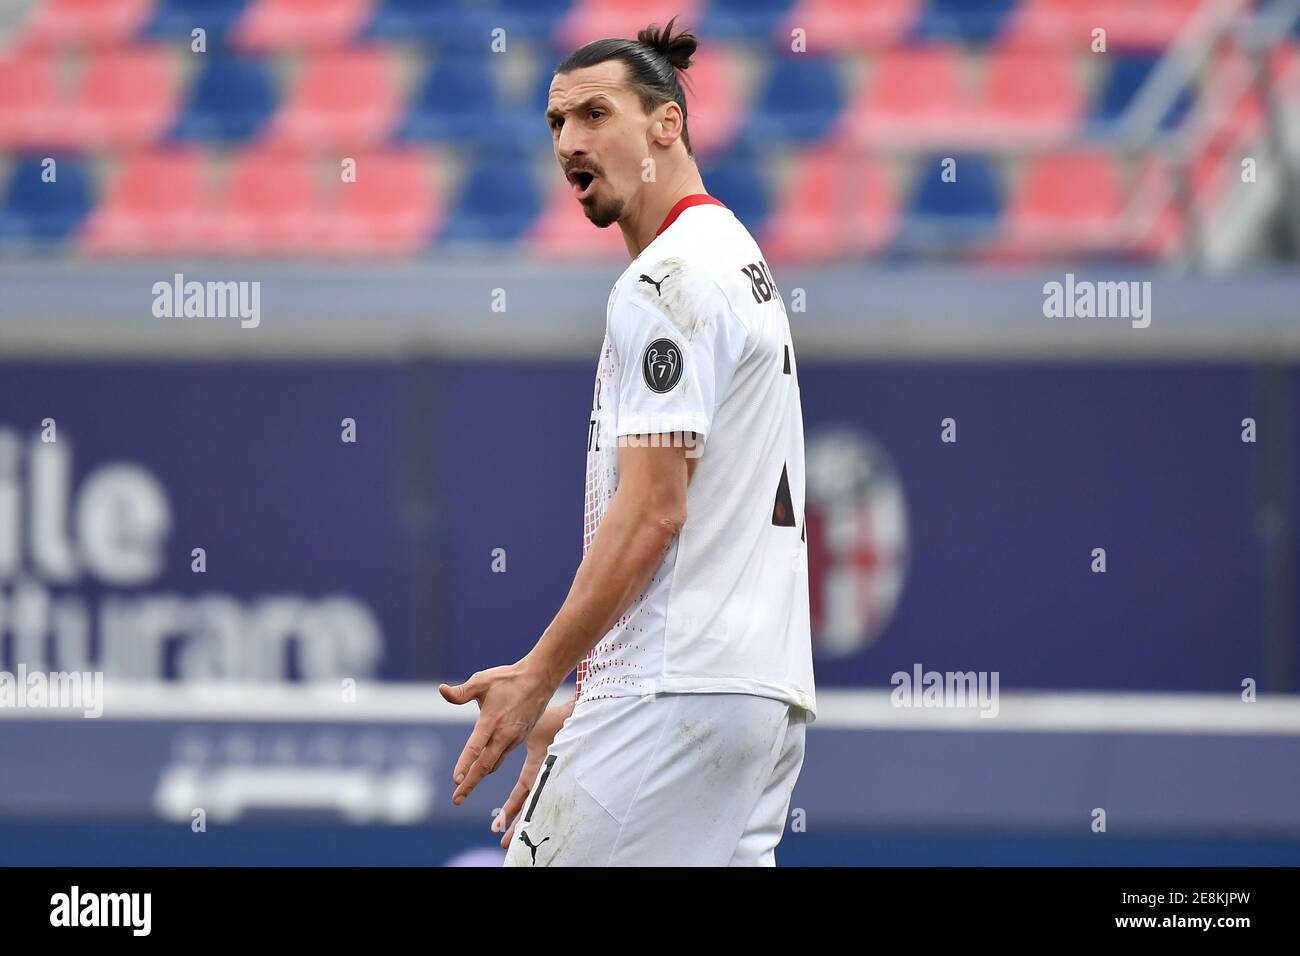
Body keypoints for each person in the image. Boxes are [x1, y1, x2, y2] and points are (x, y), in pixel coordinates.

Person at [439, 17, 816, 866]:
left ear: (666, 125)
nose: (569, 140)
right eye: (556, 124)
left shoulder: (667, 279)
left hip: (672, 694)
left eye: (594, 115)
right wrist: (580, 710)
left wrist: (539, 675)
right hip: (755, 699)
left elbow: (654, 513)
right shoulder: (736, 256)